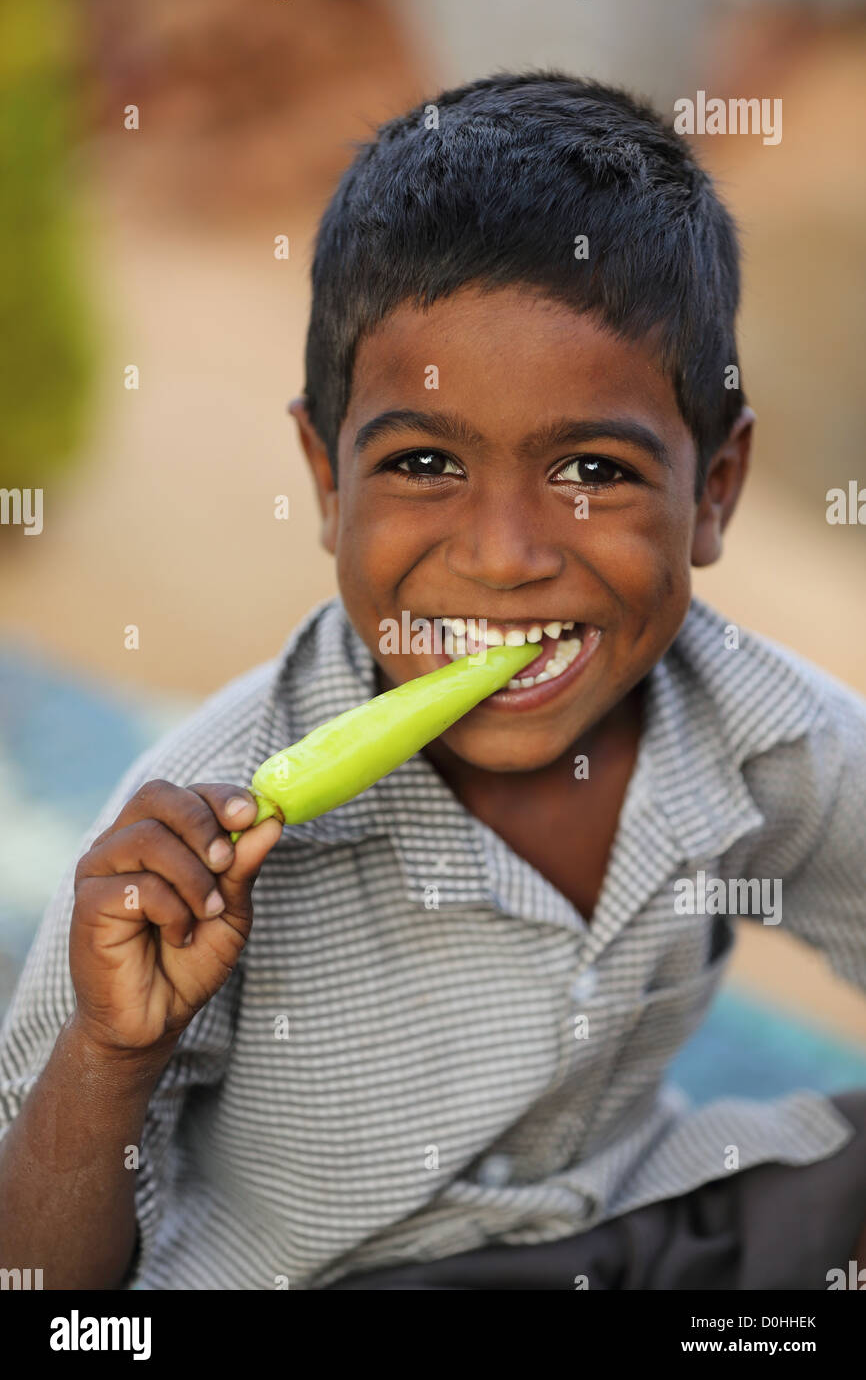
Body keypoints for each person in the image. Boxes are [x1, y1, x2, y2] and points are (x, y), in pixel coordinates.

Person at [1, 72, 864, 1291]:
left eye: (590, 471)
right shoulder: (190, 823)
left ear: (711, 493)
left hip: (613, 1239)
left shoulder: (754, 731)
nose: (504, 557)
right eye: (421, 461)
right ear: (324, 478)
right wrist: (108, 1055)